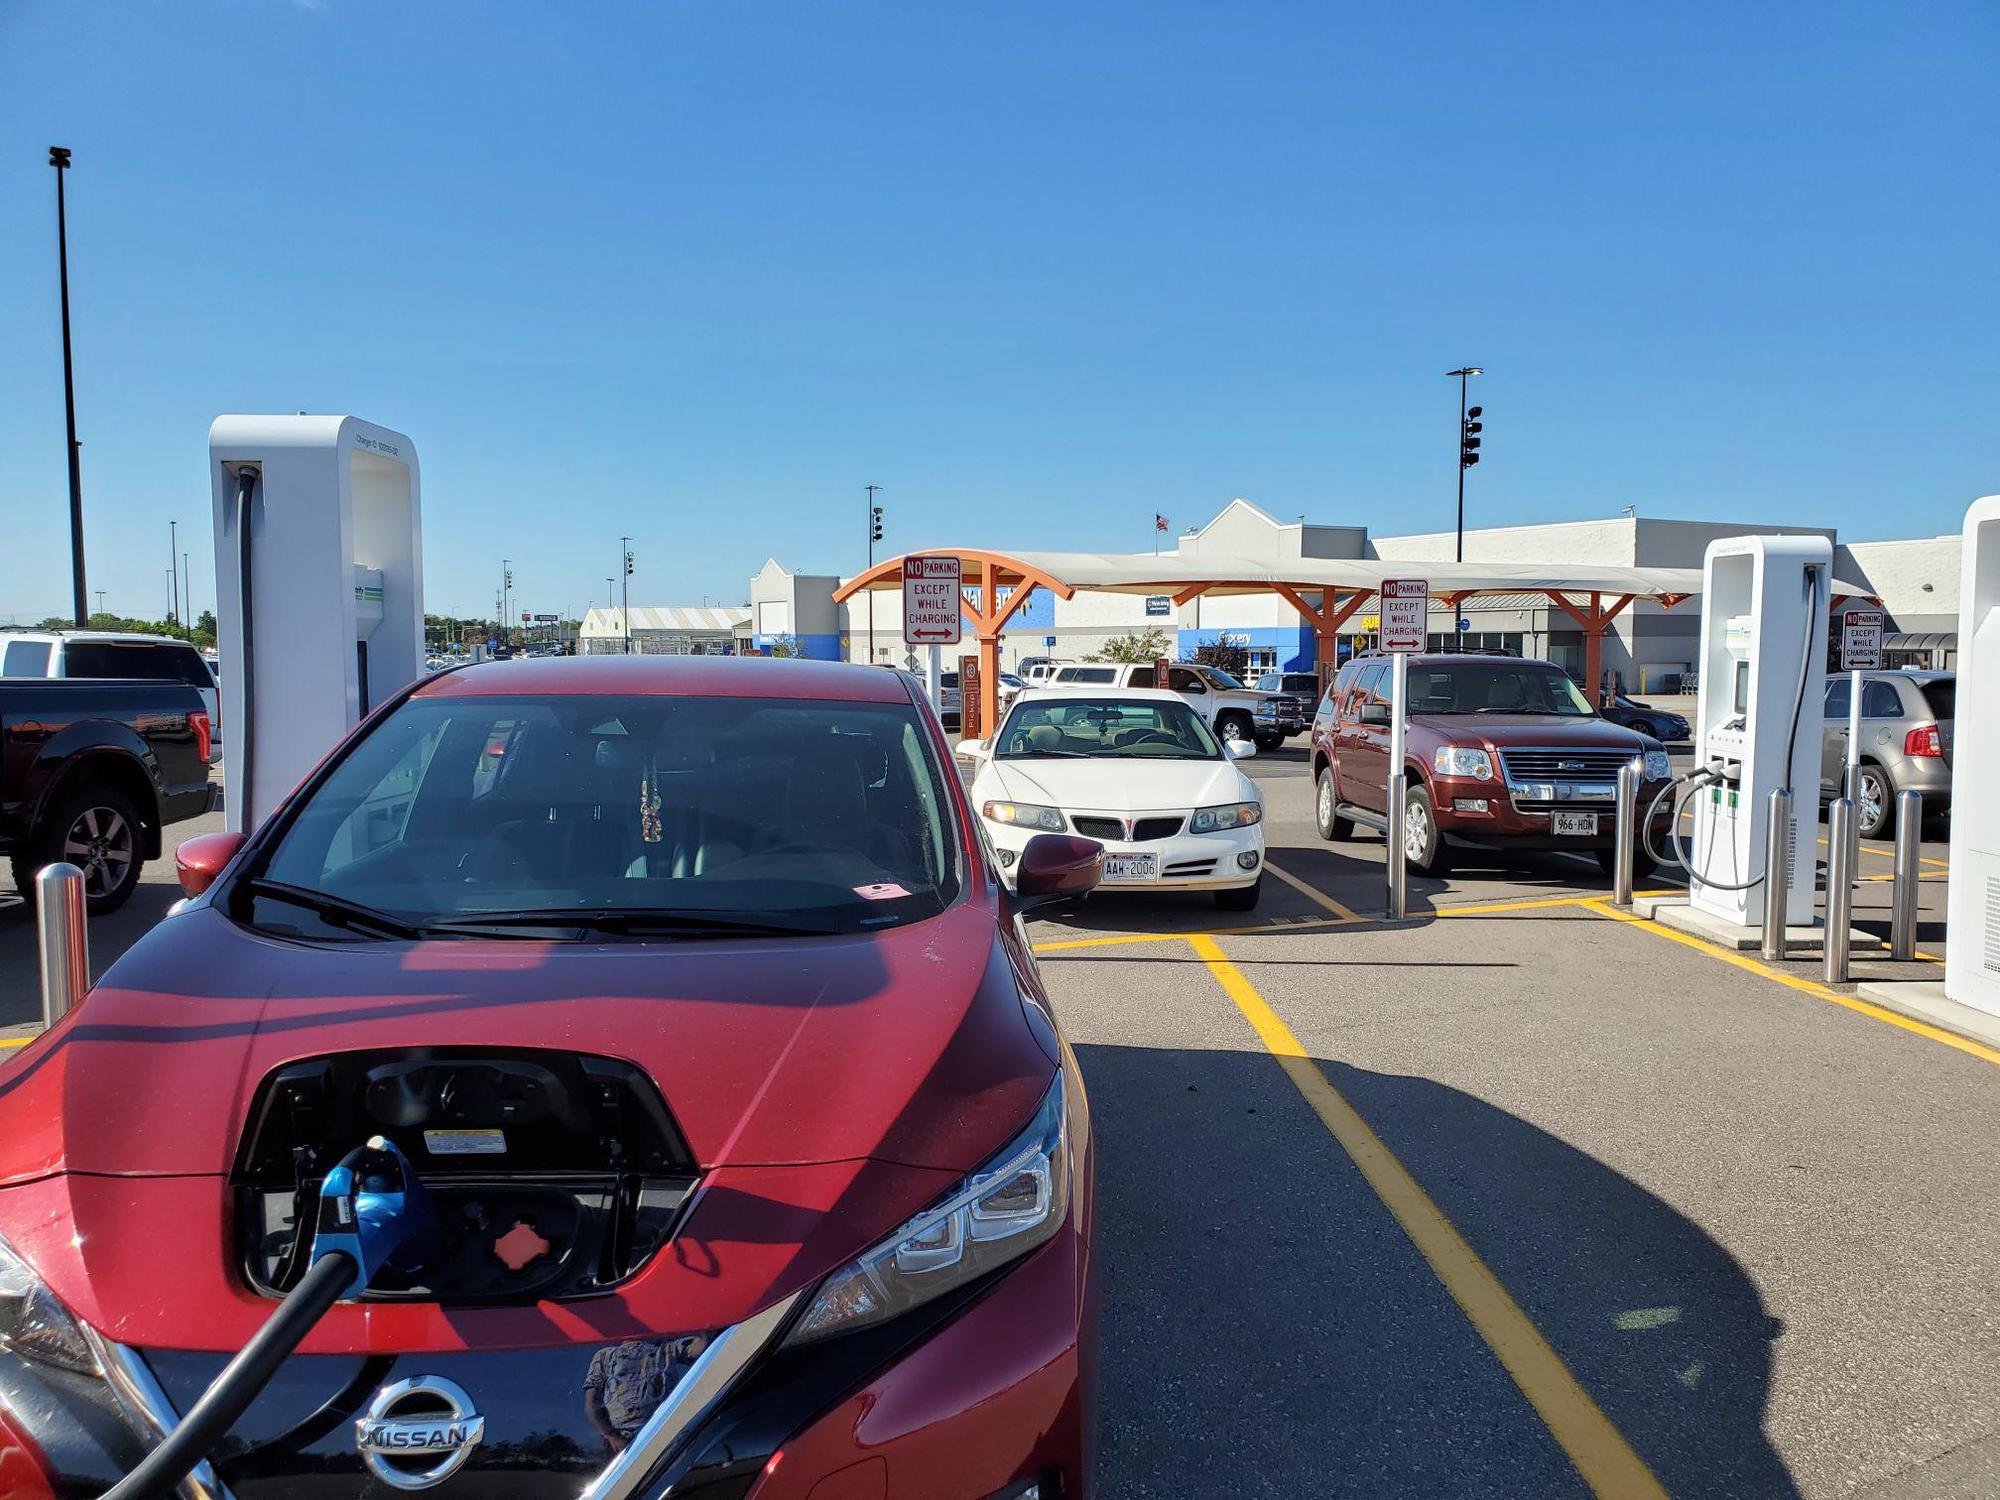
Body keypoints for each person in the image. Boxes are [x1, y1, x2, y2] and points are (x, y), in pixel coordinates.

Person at [583, 1334, 709, 1449]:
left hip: (667, 1434)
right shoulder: (605, 1355)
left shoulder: (665, 1349)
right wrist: (612, 1436)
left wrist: (704, 1329)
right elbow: (591, 1405)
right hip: (625, 1443)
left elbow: (699, 1348)